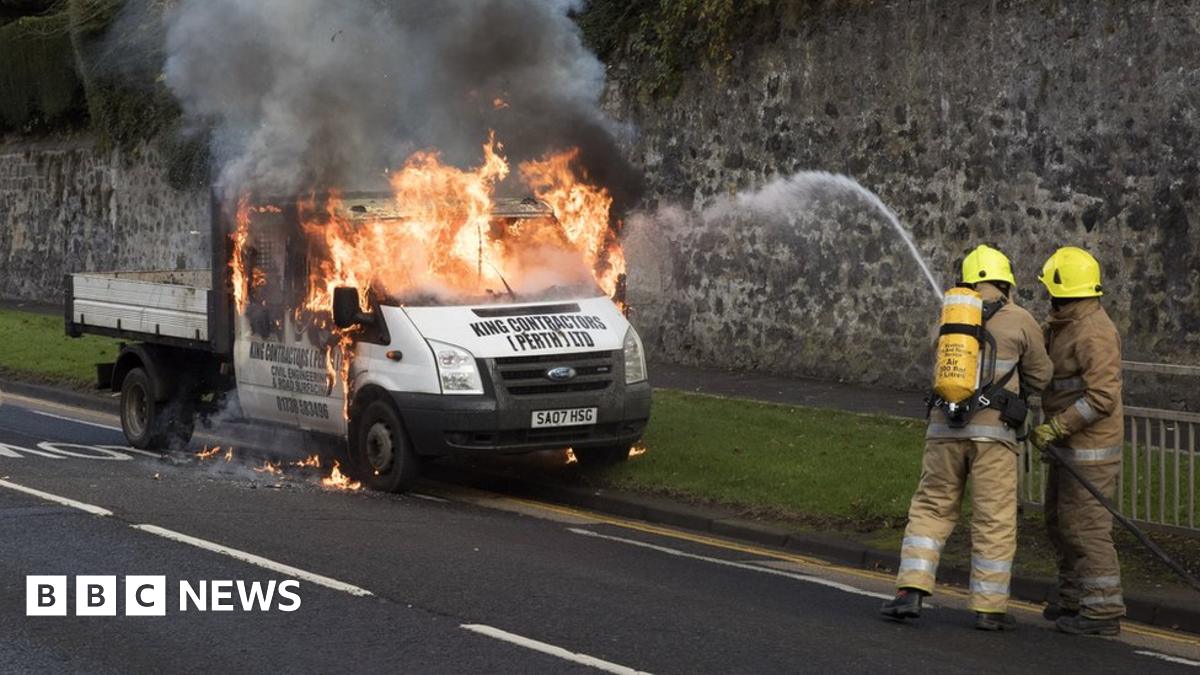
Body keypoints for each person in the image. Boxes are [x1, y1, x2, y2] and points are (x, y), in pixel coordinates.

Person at [881, 244, 1052, 631]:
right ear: (1005, 281)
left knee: (931, 509)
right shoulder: (1021, 319)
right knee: (994, 519)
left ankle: (910, 590)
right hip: (995, 437)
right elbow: (1042, 377)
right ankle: (989, 609)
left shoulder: (949, 317)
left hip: (944, 430)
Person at [1029, 246, 1125, 636]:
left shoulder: (1094, 331)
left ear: (1062, 290)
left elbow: (1102, 397)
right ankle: (1074, 598)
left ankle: (1102, 611)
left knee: (1086, 528)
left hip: (1090, 452)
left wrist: (1057, 427)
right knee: (1060, 523)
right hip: (1070, 449)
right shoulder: (1065, 324)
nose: (1048, 298)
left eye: (1051, 291)